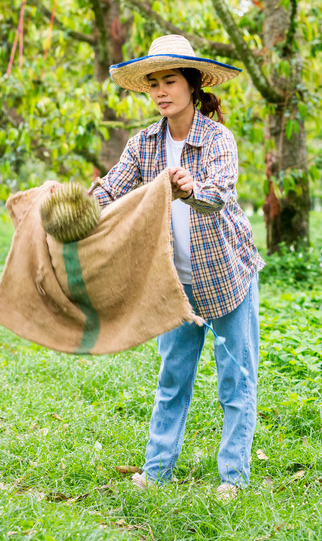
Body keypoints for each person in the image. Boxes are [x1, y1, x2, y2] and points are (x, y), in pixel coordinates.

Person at [44, 34, 265, 499]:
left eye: (170, 81)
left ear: (193, 85)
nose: (161, 91)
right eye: (154, 84)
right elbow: (110, 191)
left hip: (227, 277)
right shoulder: (144, 143)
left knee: (236, 381)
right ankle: (157, 472)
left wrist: (191, 187)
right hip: (174, 282)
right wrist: (70, 207)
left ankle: (233, 479)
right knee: (172, 380)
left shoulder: (217, 138)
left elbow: (221, 192)